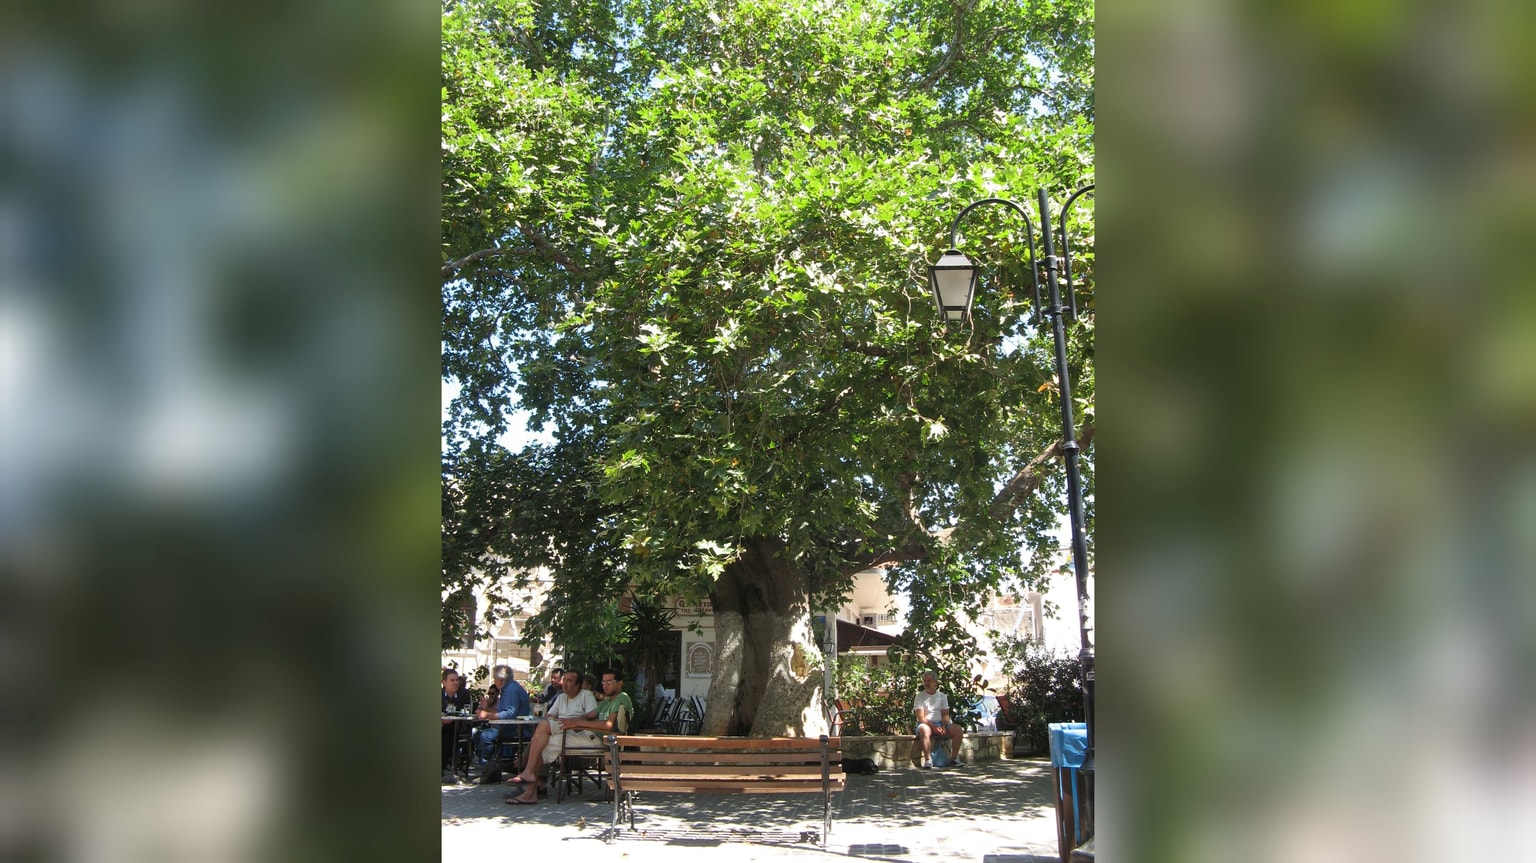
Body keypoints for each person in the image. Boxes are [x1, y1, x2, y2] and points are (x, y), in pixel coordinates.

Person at [503, 669, 607, 804]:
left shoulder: (586, 695)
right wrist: (557, 721)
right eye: (565, 680)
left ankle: (527, 776)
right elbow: (550, 715)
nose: (565, 684)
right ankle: (530, 789)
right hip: (563, 732)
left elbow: (592, 717)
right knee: (541, 740)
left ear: (578, 685)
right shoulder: (562, 697)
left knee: (543, 731)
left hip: (582, 734)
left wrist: (570, 721)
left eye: (570, 681)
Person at [472, 665, 531, 783]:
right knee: (478, 734)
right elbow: (501, 712)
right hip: (508, 726)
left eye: (494, 678)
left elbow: (510, 713)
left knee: (485, 736)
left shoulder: (511, 690)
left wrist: (488, 715)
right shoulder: (507, 689)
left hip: (517, 729)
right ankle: (489, 768)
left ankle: (491, 769)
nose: (494, 681)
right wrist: (486, 710)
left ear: (501, 680)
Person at [913, 669, 964, 769]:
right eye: (925, 681)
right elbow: (920, 717)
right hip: (926, 724)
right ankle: (928, 760)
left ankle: (954, 758)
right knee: (924, 729)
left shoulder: (942, 696)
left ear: (935, 683)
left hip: (941, 723)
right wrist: (932, 726)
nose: (927, 683)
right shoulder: (920, 696)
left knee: (958, 730)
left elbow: (945, 714)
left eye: (929, 681)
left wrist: (944, 726)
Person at [441, 668, 472, 782]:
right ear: (444, 682)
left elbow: (466, 712)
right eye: (452, 680)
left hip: (458, 726)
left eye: (457, 680)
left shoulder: (463, 694)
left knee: (447, 737)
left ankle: (444, 767)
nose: (455, 683)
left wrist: (452, 719)